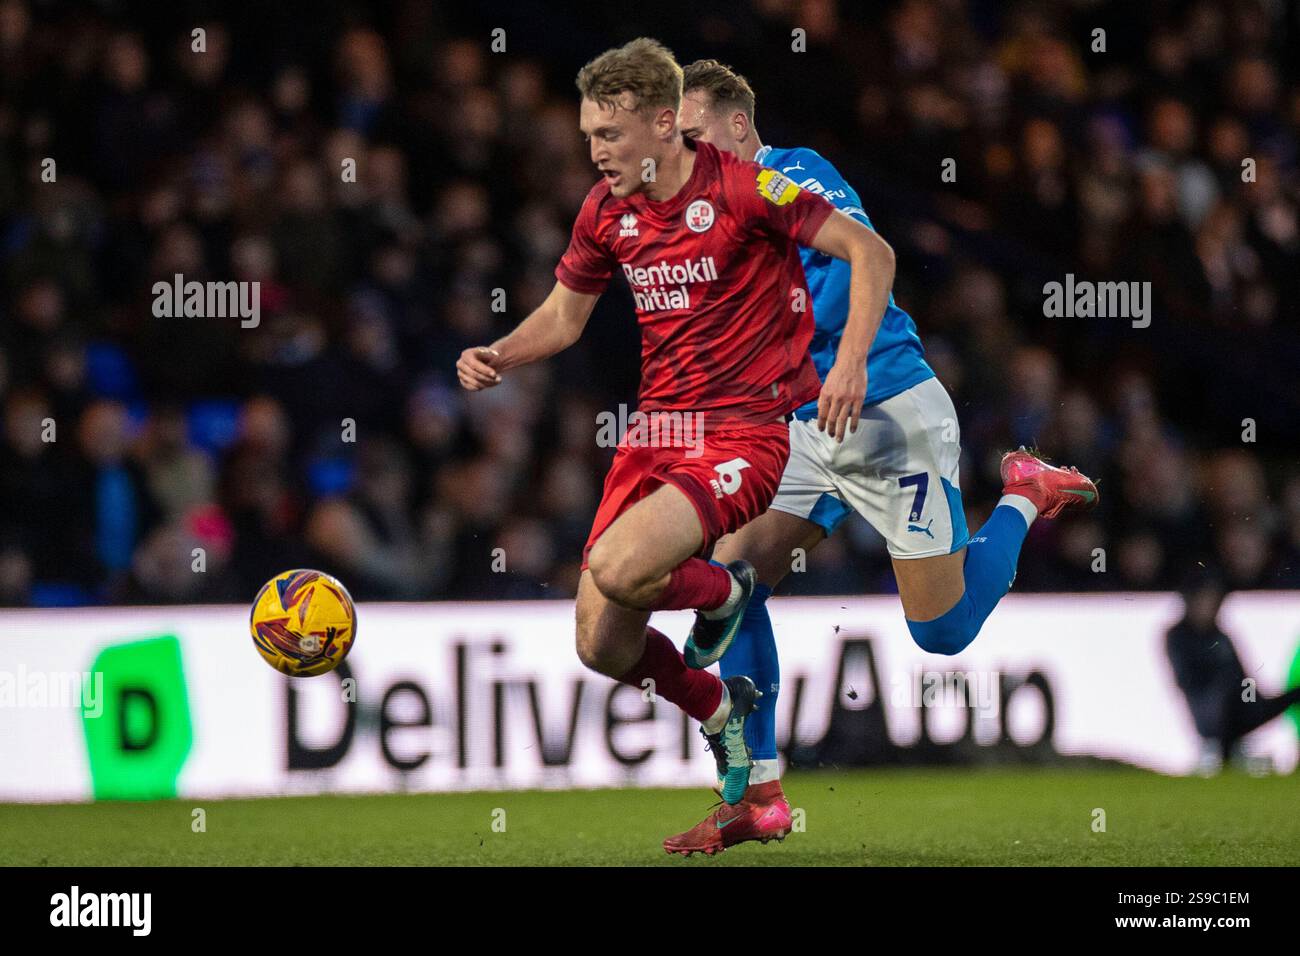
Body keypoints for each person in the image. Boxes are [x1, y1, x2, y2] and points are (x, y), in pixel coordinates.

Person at [662, 59, 1100, 854]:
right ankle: (757, 796)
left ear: (735, 127)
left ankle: (1024, 495)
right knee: (731, 582)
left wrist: (847, 358)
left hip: (888, 413)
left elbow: (870, 256)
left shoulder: (794, 173)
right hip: (803, 426)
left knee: (941, 634)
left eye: (694, 138)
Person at [456, 39, 897, 805]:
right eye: (589, 135)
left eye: (609, 135)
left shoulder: (748, 190)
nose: (594, 153)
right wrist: (503, 352)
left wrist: (852, 359)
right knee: (600, 642)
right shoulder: (606, 211)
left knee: (619, 568)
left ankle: (724, 591)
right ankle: (721, 710)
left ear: (666, 124)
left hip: (744, 435)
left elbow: (871, 250)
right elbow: (564, 316)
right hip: (656, 434)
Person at [1166, 566, 1300, 774]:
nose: (1209, 605)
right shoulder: (1177, 636)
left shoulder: (1222, 636)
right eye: (1204, 599)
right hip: (1208, 714)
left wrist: (1254, 701)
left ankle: (1236, 750)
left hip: (1241, 707)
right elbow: (1187, 680)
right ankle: (1223, 751)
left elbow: (1244, 677)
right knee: (1225, 688)